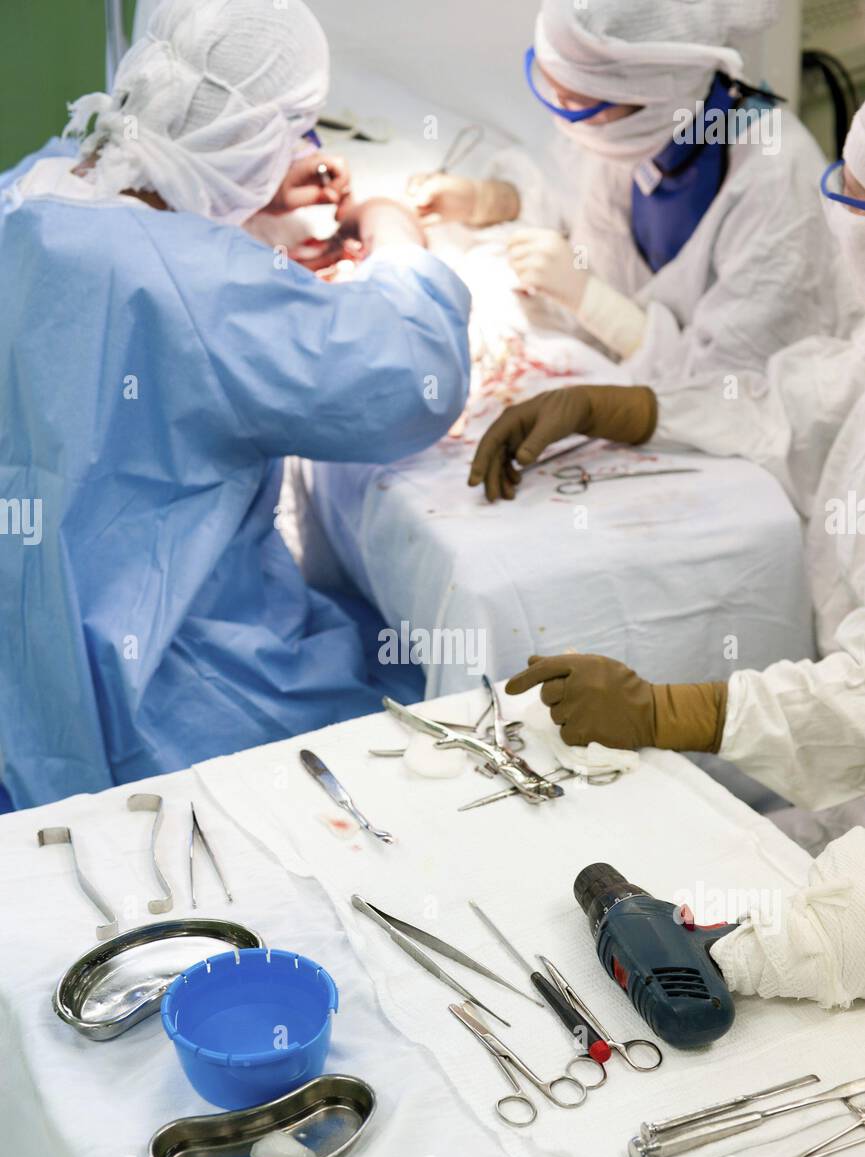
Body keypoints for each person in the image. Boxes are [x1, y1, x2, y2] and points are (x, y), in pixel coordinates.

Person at [0, 0, 471, 810]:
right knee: (425, 715)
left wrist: (242, 209)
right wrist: (395, 235)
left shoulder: (28, 191)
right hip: (160, 692)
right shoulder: (199, 285)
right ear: (265, 133)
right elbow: (411, 380)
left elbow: (138, 233)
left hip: (24, 674)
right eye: (296, 134)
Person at [468, 102, 865, 853]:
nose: (839, 221)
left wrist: (666, 712)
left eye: (851, 201)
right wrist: (618, 406)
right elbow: (798, 407)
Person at [409, 0, 849, 380]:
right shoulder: (634, 132)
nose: (564, 118)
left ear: (653, 98)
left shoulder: (775, 182)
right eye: (553, 91)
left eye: (577, 104)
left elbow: (739, 392)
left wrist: (595, 303)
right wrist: (490, 199)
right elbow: (568, 187)